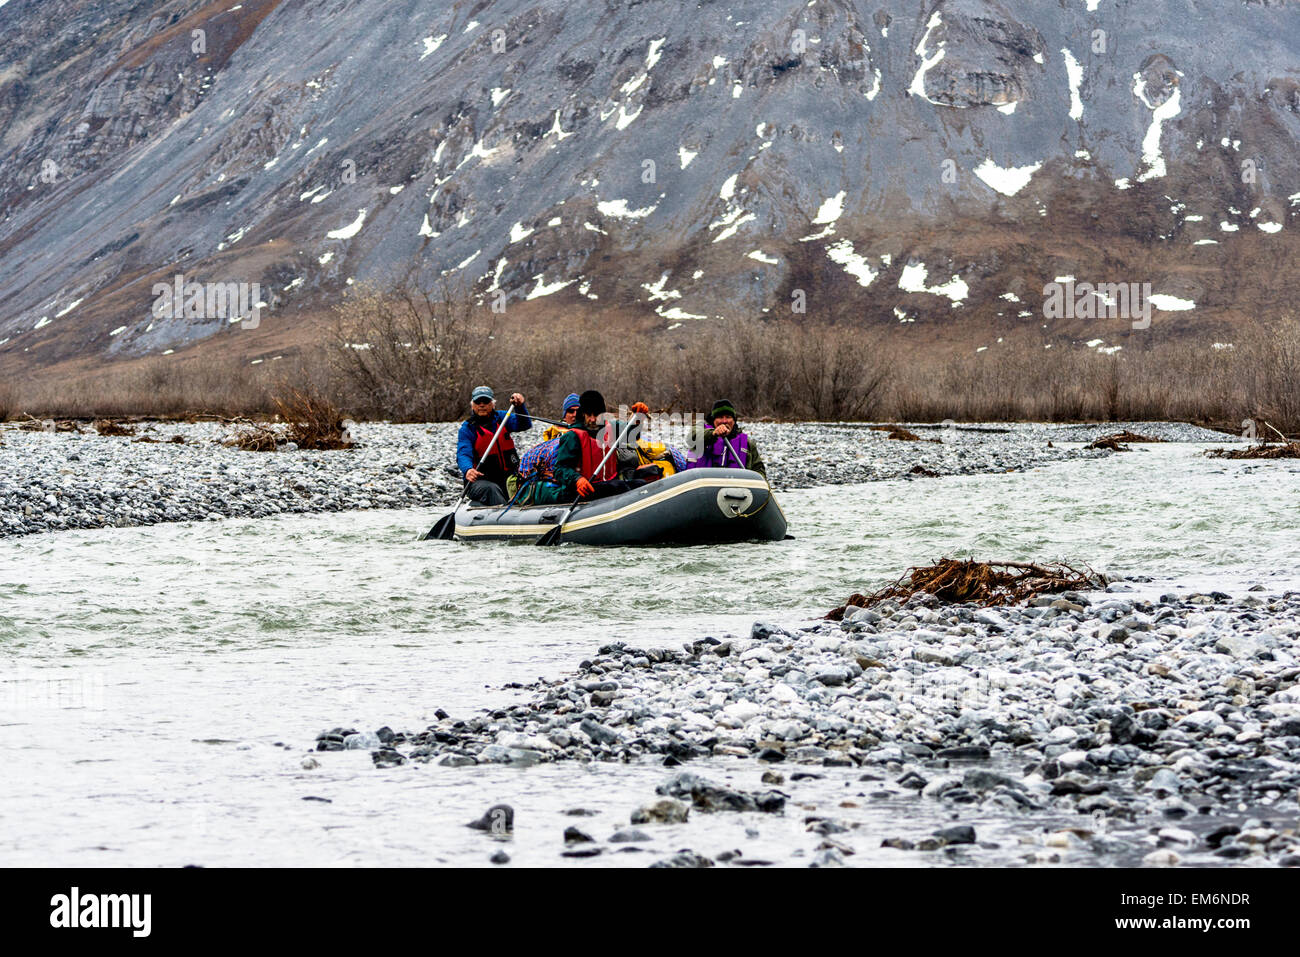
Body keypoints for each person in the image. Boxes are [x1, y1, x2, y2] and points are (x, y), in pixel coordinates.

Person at [532, 390, 645, 504]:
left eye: (596, 415)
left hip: (609, 483)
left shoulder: (612, 427)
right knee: (619, 486)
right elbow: (560, 469)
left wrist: (639, 418)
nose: (592, 419)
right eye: (589, 415)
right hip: (583, 490)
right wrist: (577, 479)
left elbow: (633, 434)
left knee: (641, 484)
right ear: (583, 414)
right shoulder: (573, 436)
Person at [456, 386, 531, 506]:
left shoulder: (502, 418)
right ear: (472, 405)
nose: (482, 405)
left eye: (485, 401)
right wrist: (468, 469)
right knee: (491, 489)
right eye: (478, 402)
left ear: (492, 404)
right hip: (480, 481)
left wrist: (520, 407)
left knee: (530, 484)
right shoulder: (467, 428)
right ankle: (505, 517)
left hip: (506, 477)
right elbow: (463, 453)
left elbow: (524, 424)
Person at [685, 399, 766, 477]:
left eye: (728, 417)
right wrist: (713, 433)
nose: (724, 421)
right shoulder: (699, 430)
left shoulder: (747, 443)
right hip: (702, 487)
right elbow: (690, 439)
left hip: (736, 488)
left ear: (734, 421)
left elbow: (759, 469)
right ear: (713, 420)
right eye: (720, 417)